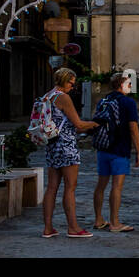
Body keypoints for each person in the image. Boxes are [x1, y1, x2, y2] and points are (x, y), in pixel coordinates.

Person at [41, 67, 99, 238]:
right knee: (70, 187)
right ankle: (73, 228)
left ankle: (48, 228)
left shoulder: (48, 95)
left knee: (51, 187)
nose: (72, 87)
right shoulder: (63, 97)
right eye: (71, 83)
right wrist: (97, 124)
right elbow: (78, 124)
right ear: (64, 81)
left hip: (52, 145)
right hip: (66, 145)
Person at [92, 71, 139, 233]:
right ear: (121, 85)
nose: (130, 86)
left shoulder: (104, 101)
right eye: (128, 84)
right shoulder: (128, 102)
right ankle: (115, 223)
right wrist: (138, 151)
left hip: (103, 147)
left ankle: (99, 220)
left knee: (101, 185)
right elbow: (133, 128)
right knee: (116, 187)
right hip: (120, 148)